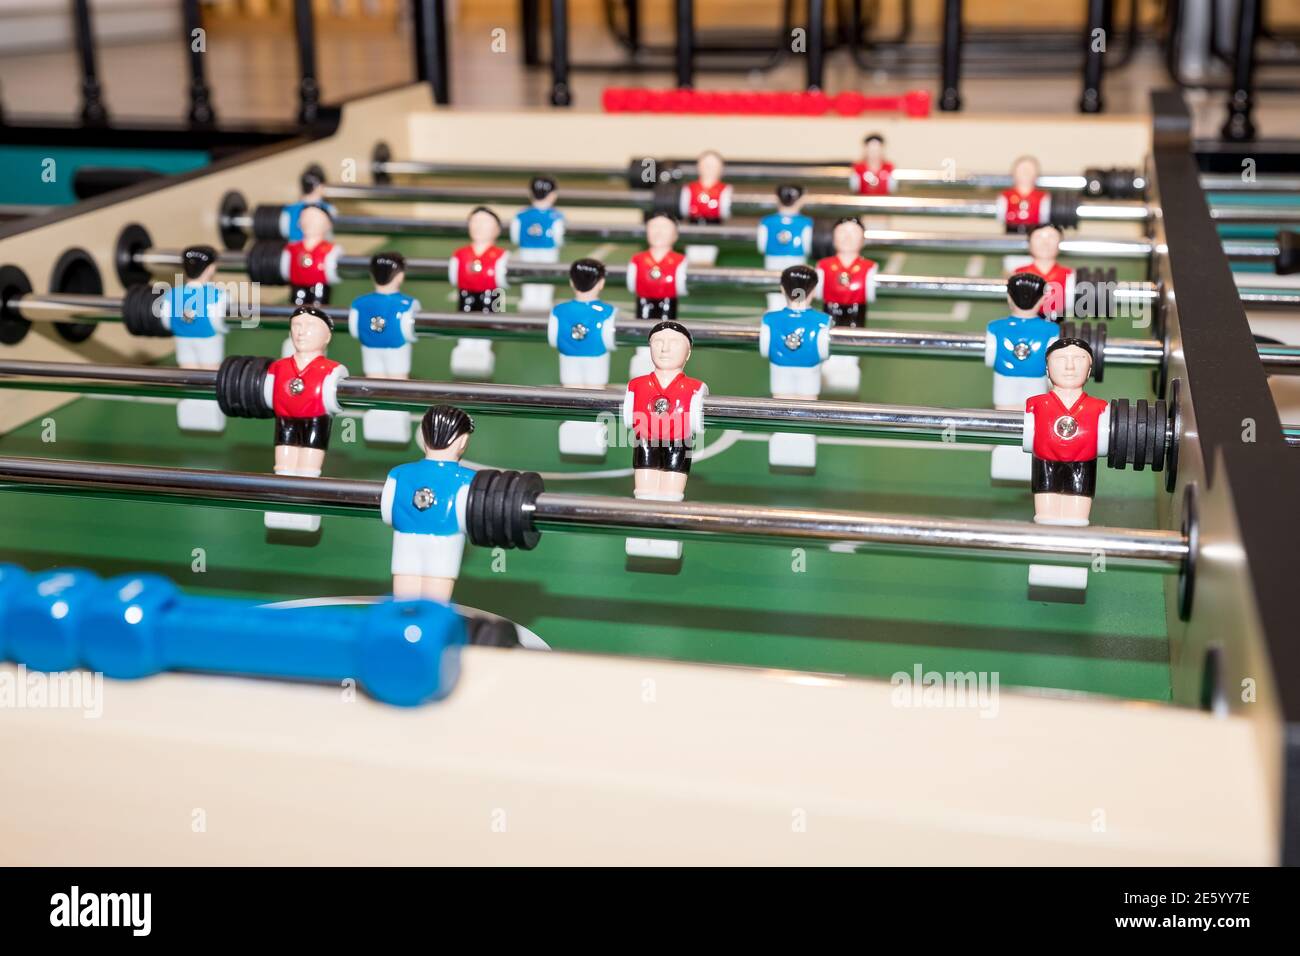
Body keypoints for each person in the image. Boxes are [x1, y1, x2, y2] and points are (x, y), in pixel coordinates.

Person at [262, 305, 348, 532]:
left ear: (327, 336)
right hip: (285, 421)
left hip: (316, 421)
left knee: (308, 469)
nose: (301, 332)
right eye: (296, 326)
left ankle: (303, 509)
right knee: (284, 467)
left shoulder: (332, 370)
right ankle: (282, 508)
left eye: (309, 326)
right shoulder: (278, 367)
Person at [382, 405, 477, 603]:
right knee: (435, 604)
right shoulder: (469, 479)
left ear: (424, 437)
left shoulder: (399, 473)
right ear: (462, 442)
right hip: (446, 542)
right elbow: (471, 518)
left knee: (403, 600)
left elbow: (387, 513)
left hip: (405, 539)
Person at [1023, 338, 1110, 527]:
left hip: (1083, 464)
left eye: (1079, 359)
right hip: (1045, 463)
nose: (1070, 366)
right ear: (1047, 368)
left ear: (1089, 370)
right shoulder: (1035, 404)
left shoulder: (1100, 407)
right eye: (1061, 359)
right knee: (1044, 518)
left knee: (1077, 519)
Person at [448, 206, 509, 378]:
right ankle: (464, 353)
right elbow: (454, 277)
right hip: (466, 296)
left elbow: (502, 281)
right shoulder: (460, 254)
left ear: (497, 229)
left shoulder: (501, 255)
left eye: (484, 222)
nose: (478, 226)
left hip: (492, 296)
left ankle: (482, 356)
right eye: (475, 221)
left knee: (486, 331)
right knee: (465, 329)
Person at [985, 271, 1059, 410]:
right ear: (1043, 299)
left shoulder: (995, 327)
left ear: (1009, 298)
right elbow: (1053, 365)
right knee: (1034, 415)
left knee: (1004, 413)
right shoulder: (1051, 330)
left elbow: (990, 358)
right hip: (1037, 379)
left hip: (1004, 379)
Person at [549, 258, 617, 388]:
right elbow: (610, 340)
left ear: (571, 282)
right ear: (601, 283)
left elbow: (553, 337)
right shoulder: (608, 312)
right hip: (597, 358)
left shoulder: (559, 311)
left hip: (568, 358)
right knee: (596, 391)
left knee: (571, 391)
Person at [626, 212, 687, 321]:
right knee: (643, 325)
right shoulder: (637, 260)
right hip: (643, 301)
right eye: (653, 227)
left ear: (675, 234)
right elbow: (632, 284)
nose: (658, 232)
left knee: (667, 327)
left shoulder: (680, 260)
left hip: (668, 302)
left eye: (665, 227)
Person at [280, 203, 340, 305]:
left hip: (319, 287)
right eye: (305, 217)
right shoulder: (292, 248)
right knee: (296, 309)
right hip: (297, 287)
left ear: (328, 224)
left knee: (318, 311)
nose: (309, 222)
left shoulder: (330, 250)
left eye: (314, 218)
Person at [1013, 224, 1074, 319]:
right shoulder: (1018, 274)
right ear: (1029, 243)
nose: (1045, 242)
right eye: (1038, 237)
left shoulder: (1070, 275)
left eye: (1052, 237)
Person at [756, 184, 814, 272]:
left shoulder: (767, 221)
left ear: (777, 198)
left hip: (772, 260)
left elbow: (761, 246)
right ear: (800, 200)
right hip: (797, 259)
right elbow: (808, 247)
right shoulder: (806, 222)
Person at [281, 167, 337, 242]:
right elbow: (329, 238)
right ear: (320, 186)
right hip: (318, 252)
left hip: (294, 252)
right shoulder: (330, 210)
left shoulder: (287, 210)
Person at [998, 155, 1051, 234]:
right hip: (1011, 232)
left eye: (1030, 169)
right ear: (1013, 172)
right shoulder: (1005, 196)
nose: (1026, 172)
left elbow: (1045, 217)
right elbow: (1001, 216)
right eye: (1022, 169)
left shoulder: (1043, 197)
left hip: (1035, 232)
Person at [679, 150, 732, 224]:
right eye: (706, 165)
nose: (709, 169)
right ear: (698, 167)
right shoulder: (688, 189)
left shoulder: (727, 190)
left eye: (714, 166)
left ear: (721, 168)